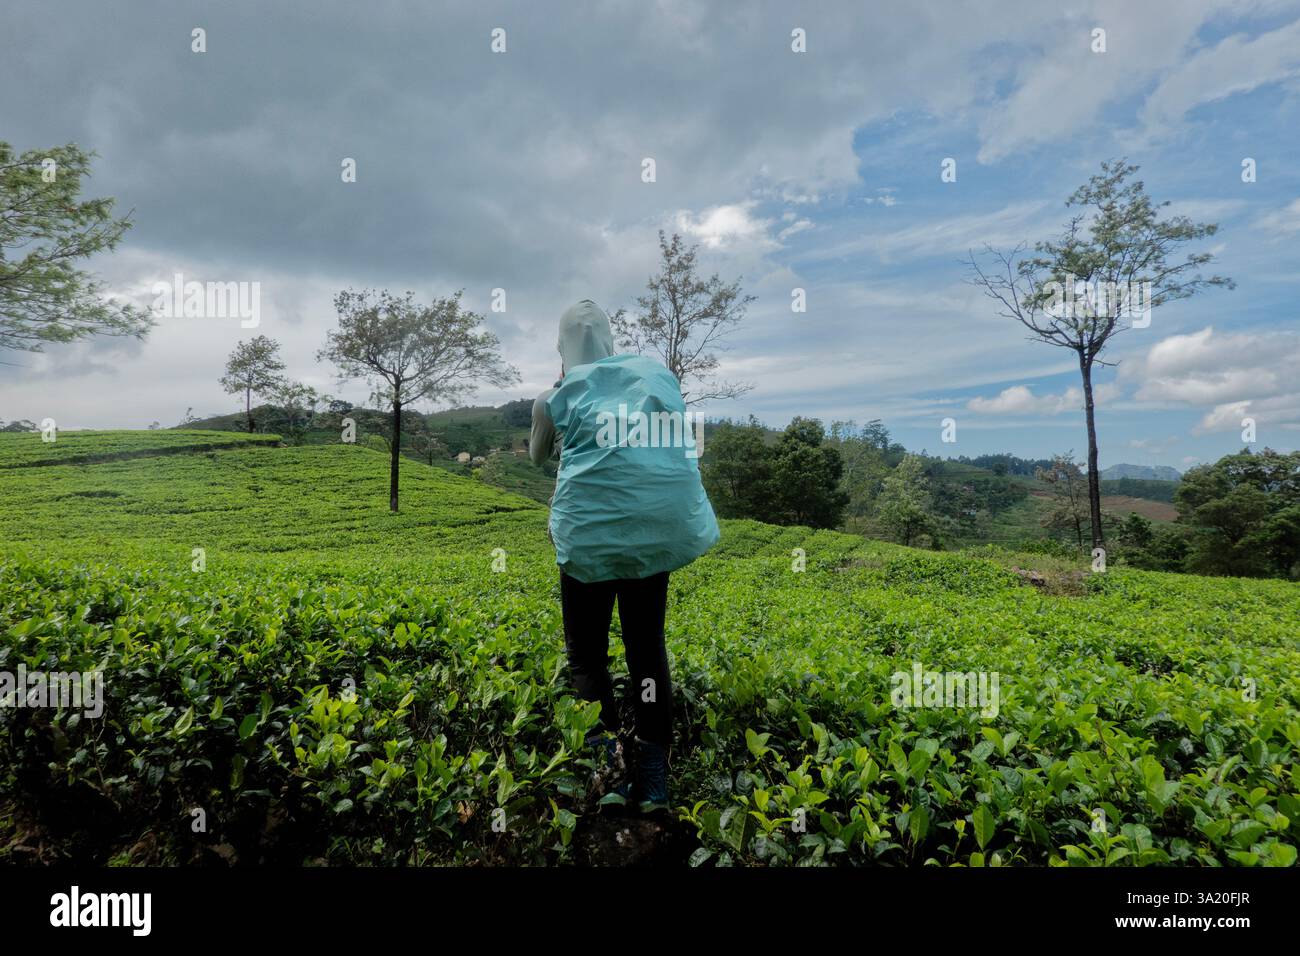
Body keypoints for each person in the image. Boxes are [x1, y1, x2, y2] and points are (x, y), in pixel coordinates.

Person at [530, 299, 720, 813]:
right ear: (611, 340)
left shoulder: (554, 396)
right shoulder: (652, 380)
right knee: (646, 649)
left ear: (562, 344)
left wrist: (561, 388)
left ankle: (606, 769)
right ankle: (654, 783)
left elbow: (536, 457)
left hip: (586, 542)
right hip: (648, 537)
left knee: (587, 656)